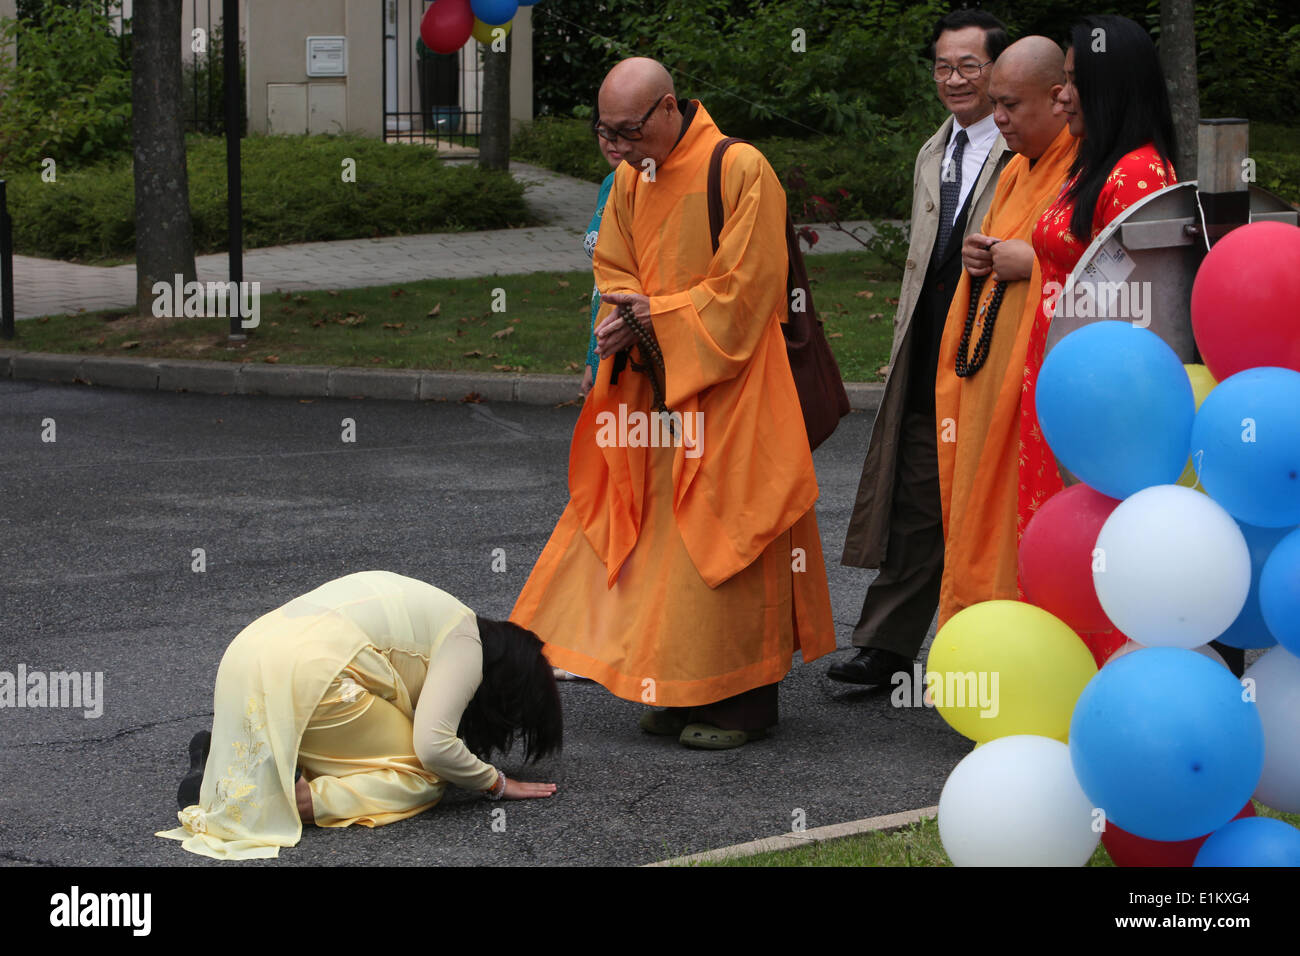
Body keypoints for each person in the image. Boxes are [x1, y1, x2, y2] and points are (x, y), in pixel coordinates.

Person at [511, 57, 836, 750]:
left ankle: (740, 707)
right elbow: (614, 266)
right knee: (660, 554)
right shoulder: (632, 178)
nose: (619, 147)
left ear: (667, 108)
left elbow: (749, 292)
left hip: (735, 390)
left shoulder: (741, 167)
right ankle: (673, 686)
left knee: (725, 542)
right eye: (606, 132)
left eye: (629, 131)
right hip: (655, 389)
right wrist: (627, 315)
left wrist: (654, 314)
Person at [834, 9, 1013, 686]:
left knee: (981, 498)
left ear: (1000, 69)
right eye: (944, 65)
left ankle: (982, 650)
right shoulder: (934, 151)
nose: (955, 78)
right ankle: (885, 646)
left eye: (970, 64)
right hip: (927, 345)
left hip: (988, 343)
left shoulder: (1022, 147)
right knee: (914, 491)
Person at [157, 570, 561, 859]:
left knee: (368, 744)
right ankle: (279, 799)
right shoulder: (467, 644)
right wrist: (494, 783)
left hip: (244, 660)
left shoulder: (440, 611)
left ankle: (233, 760)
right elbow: (434, 746)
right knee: (425, 774)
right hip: (315, 679)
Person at [1022, 14, 1178, 666]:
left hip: (1096, 401)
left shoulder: (1139, 175)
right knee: (1057, 541)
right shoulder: (1095, 165)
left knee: (1096, 544)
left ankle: (1107, 688)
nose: (1059, 96)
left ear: (1108, 85)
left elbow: (1147, 308)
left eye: (1071, 83)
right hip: (1056, 383)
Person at [933, 36, 1077, 628]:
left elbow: (1111, 276)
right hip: (990, 375)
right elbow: (1001, 243)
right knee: (977, 509)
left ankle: (1019, 639)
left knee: (1020, 517)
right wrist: (980, 256)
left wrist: (1034, 267)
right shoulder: (1018, 169)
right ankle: (981, 635)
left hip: (1038, 384)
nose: (998, 119)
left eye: (1011, 106)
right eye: (996, 104)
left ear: (1057, 97)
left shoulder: (1088, 166)